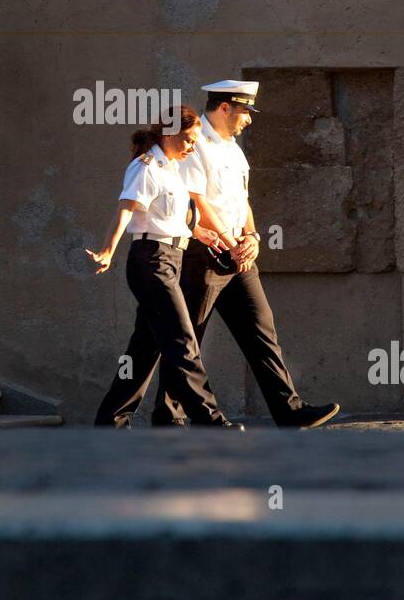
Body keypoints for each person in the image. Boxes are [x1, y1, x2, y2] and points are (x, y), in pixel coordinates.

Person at [151, 80, 340, 430]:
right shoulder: (197, 142)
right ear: (225, 108)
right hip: (204, 254)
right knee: (187, 337)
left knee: (262, 330)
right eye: (245, 111)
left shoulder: (234, 150)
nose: (249, 119)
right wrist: (229, 239)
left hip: (239, 255)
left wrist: (252, 236)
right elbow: (196, 200)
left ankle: (290, 410)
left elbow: (242, 202)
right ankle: (169, 416)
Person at [87, 105, 243, 428]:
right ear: (169, 133)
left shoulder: (174, 170)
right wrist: (108, 249)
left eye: (195, 141)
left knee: (146, 346)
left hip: (171, 258)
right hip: (151, 261)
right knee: (182, 340)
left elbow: (168, 217)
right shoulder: (146, 167)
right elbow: (126, 211)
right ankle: (210, 420)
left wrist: (197, 231)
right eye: (187, 139)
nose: (191, 147)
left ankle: (110, 421)